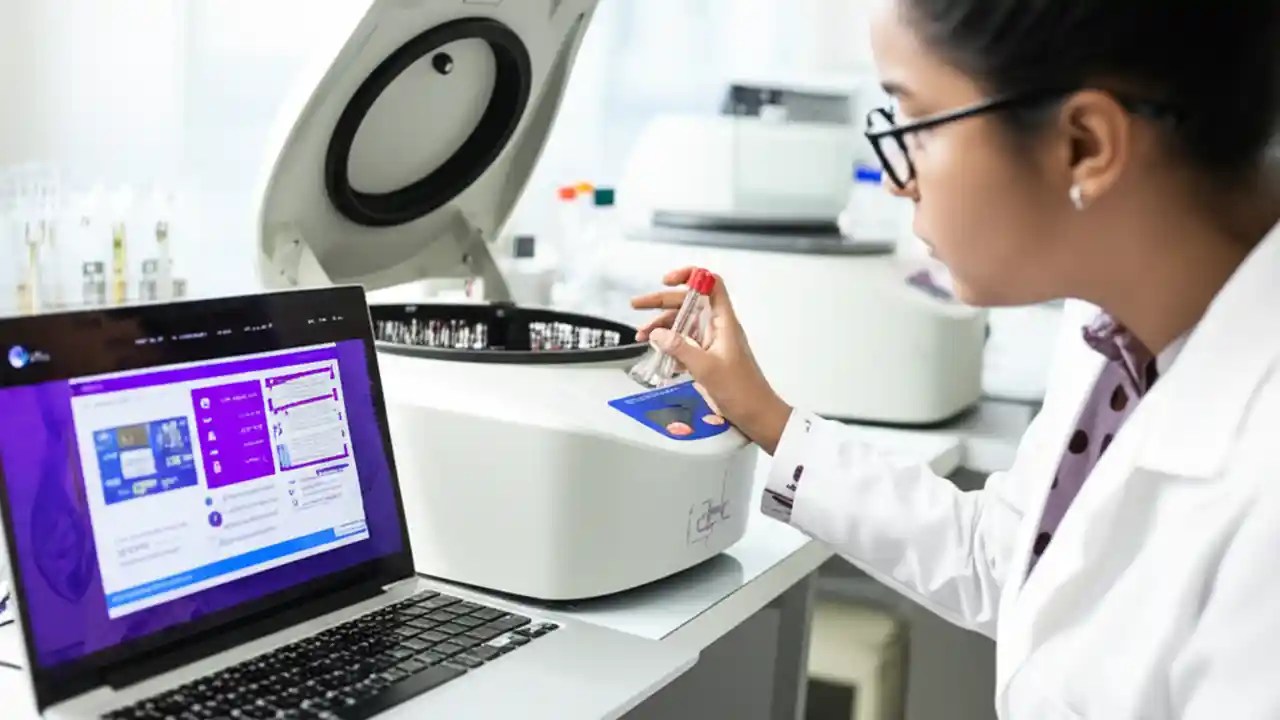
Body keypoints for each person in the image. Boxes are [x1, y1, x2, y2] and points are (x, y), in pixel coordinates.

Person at [631, 1, 1280, 717]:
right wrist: (769, 419)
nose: (898, 181)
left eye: (916, 124)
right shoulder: (1113, 330)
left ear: (1084, 146)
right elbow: (1012, 562)